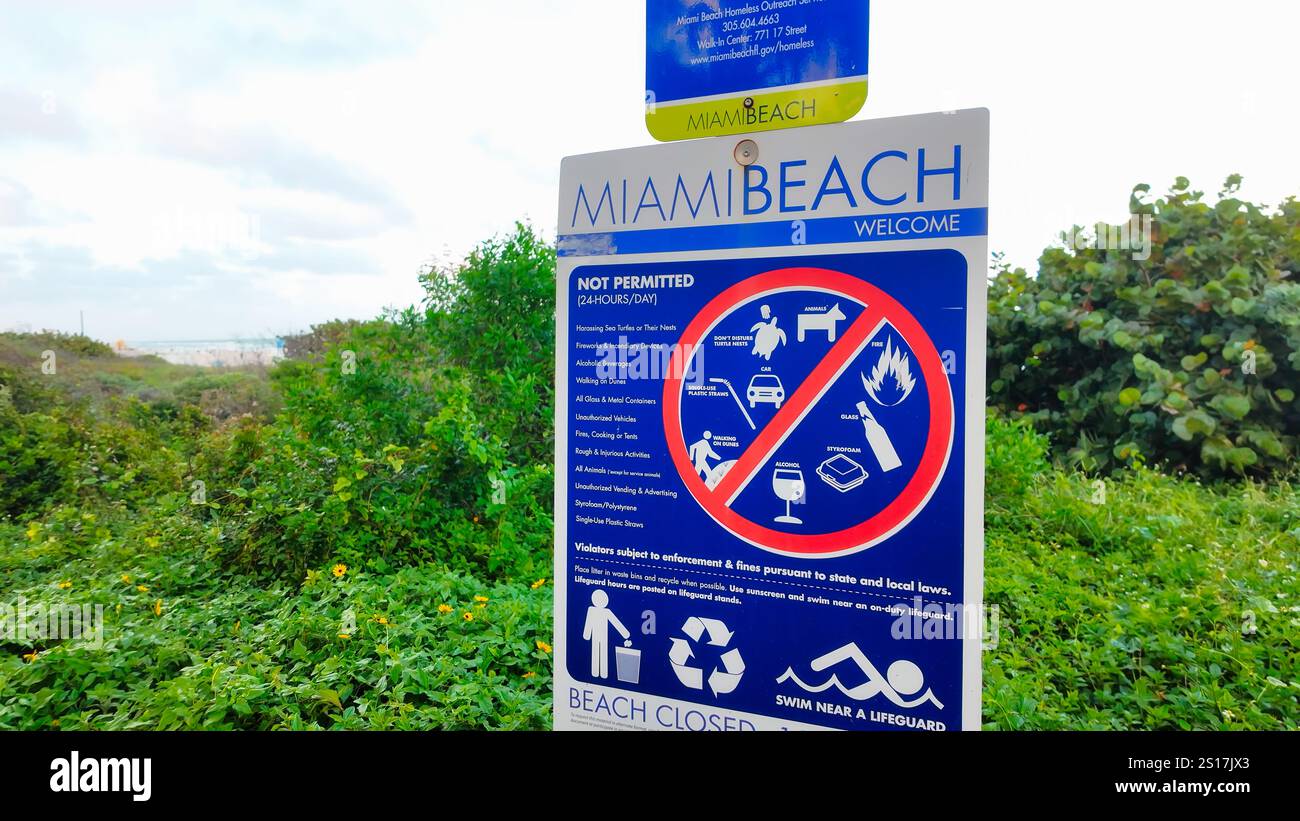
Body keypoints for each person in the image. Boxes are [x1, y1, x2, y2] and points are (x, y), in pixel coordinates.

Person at [582, 589, 631, 679]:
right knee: (596, 652)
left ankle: (603, 673)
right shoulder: (591, 610)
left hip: (603, 636)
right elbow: (588, 623)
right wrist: (587, 634)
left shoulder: (606, 611)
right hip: (597, 636)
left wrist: (625, 634)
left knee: (602, 652)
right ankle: (595, 672)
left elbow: (616, 623)